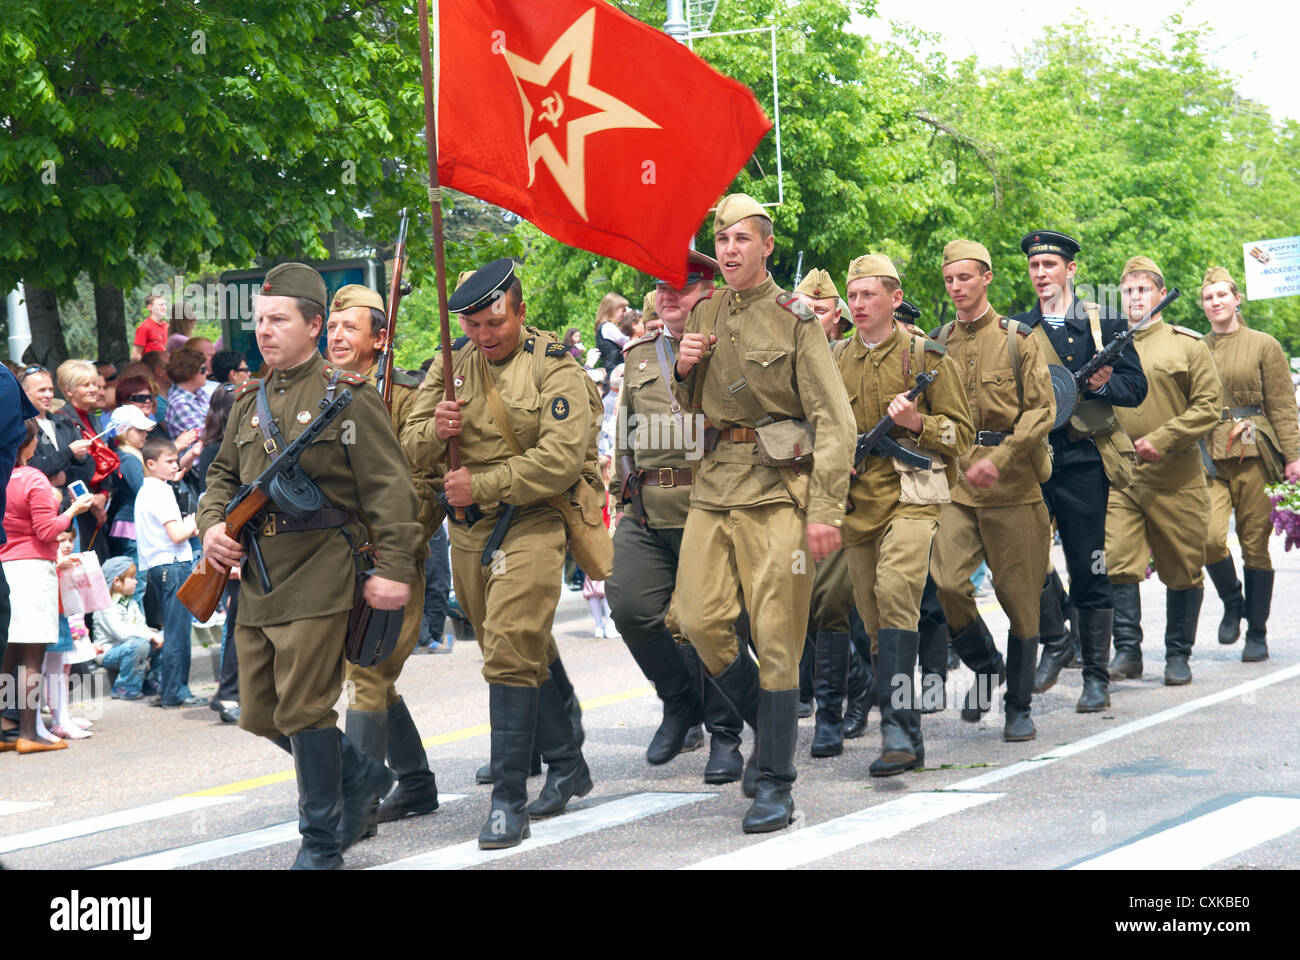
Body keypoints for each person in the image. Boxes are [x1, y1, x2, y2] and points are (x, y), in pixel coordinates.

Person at [199, 262, 419, 869]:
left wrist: (396, 564)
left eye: (278, 320)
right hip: (260, 572)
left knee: (305, 708)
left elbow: (389, 490)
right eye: (259, 321)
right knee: (259, 711)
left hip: (323, 568)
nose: (264, 332)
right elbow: (219, 477)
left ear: (314, 325)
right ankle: (362, 775)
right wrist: (213, 526)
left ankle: (321, 843)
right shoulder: (248, 402)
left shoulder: (346, 397)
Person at [670, 194, 855, 833]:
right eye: (721, 241)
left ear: (766, 246)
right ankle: (767, 729)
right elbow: (692, 410)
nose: (728, 251)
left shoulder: (797, 319)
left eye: (741, 240)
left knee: (777, 637)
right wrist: (683, 370)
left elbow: (836, 420)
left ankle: (775, 779)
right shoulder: (705, 310)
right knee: (697, 619)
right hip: (716, 483)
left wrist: (827, 507)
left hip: (780, 486)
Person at [403, 258, 597, 849]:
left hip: (535, 519)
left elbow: (562, 459)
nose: (484, 336)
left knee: (509, 652)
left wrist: (482, 484)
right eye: (473, 326)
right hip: (467, 531)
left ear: (518, 307)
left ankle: (508, 801)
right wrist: (435, 429)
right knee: (512, 648)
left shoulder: (552, 365)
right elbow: (409, 447)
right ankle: (567, 763)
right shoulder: (450, 363)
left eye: (494, 322)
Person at [608, 250, 746, 780]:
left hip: (705, 506)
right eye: (659, 288)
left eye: (681, 287)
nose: (667, 296)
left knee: (700, 623)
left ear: (707, 291)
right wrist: (625, 492)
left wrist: (668, 437)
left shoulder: (731, 349)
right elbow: (625, 431)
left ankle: (726, 736)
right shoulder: (639, 355)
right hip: (646, 509)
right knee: (629, 606)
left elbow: (719, 430)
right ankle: (680, 701)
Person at [834, 253, 973, 772]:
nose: (858, 305)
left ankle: (893, 732)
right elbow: (818, 429)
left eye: (869, 295)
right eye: (853, 296)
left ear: (895, 299)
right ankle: (908, 730)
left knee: (897, 594)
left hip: (913, 497)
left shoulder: (926, 356)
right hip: (856, 504)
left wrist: (917, 423)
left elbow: (963, 436)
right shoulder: (832, 358)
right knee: (873, 622)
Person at [1010, 230, 1147, 714]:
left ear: (1070, 270)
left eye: (1050, 265)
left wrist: (1106, 383)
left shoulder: (1102, 322)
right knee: (1024, 561)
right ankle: (1055, 639)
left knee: (1089, 564)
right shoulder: (1017, 329)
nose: (1041, 273)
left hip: (1083, 459)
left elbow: (1136, 388)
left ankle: (1095, 676)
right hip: (1033, 457)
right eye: (1035, 266)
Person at [324, 283, 442, 829]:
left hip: (391, 559)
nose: (338, 334)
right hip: (338, 558)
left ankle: (359, 805)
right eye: (331, 326)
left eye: (351, 326)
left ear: (381, 338)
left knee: (367, 674)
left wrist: (394, 545)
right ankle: (415, 783)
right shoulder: (321, 396)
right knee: (371, 675)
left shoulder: (408, 397)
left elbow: (423, 484)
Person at [930, 240, 1054, 741]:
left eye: (965, 278)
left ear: (986, 278)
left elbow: (1041, 411)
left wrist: (1000, 459)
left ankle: (1019, 706)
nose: (956, 288)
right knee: (947, 581)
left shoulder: (1018, 339)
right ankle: (985, 663)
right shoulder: (937, 342)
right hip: (959, 484)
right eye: (949, 280)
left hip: (1015, 486)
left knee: (1019, 597)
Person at [1103, 256, 1222, 686]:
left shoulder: (1187, 344)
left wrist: (1165, 438)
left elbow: (1209, 407)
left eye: (1142, 289)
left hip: (1176, 477)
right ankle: (1128, 652)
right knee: (1117, 561)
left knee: (1184, 567)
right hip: (1123, 477)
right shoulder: (1108, 346)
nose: (1134, 297)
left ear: (1159, 293)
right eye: (1128, 290)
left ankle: (1177, 655)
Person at [1201, 265, 1300, 662]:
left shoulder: (1264, 344)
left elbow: (1281, 404)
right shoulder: (1196, 347)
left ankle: (1256, 631)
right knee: (1208, 539)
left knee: (1254, 544)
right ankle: (1232, 601)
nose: (1215, 302)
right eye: (1208, 298)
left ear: (1237, 299)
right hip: (1208, 452)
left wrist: (1293, 457)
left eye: (1222, 295)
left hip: (1254, 450)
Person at [790, 268, 860, 759]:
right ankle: (855, 681)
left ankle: (830, 716)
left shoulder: (854, 357)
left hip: (840, 492)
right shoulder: (782, 354)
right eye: (805, 310)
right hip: (784, 489)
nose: (813, 318)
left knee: (832, 602)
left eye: (821, 311)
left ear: (838, 316)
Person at [0, 419, 95, 753]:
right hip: (32, 568)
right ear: (25, 444)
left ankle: (5, 727)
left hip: (5, 567)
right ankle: (29, 733)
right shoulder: (32, 479)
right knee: (32, 657)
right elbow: (47, 530)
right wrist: (73, 509)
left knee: (8, 654)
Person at [135, 435, 204, 709]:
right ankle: (176, 691)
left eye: (176, 460)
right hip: (172, 565)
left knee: (173, 630)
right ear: (151, 464)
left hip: (159, 566)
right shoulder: (159, 491)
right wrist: (196, 519)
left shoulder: (148, 489)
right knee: (178, 632)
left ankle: (168, 688)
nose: (176, 465)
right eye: (170, 461)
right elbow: (176, 535)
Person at [196, 381, 241, 724]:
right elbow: (216, 504)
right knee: (240, 624)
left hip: (237, 542)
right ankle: (228, 693)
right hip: (230, 543)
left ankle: (236, 692)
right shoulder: (218, 451)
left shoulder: (217, 446)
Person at [52, 359, 116, 560]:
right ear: (69, 391)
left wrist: (104, 494)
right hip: (79, 508)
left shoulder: (94, 418)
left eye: (94, 385)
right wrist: (91, 499)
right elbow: (68, 469)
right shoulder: (60, 421)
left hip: (99, 503)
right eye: (85, 385)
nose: (93, 390)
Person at [92, 555, 162, 701]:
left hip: (133, 645)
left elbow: (140, 626)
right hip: (110, 651)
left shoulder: (131, 603)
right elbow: (122, 634)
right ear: (117, 581)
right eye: (132, 578)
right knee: (139, 645)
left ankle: (153, 680)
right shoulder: (105, 606)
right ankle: (124, 687)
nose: (136, 581)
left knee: (164, 637)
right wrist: (149, 636)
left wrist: (153, 635)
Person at [104, 403, 157, 566]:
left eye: (144, 431)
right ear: (123, 431)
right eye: (138, 430)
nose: (144, 435)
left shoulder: (128, 456)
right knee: (137, 581)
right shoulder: (128, 458)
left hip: (130, 524)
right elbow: (142, 491)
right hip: (130, 525)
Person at [164, 347, 211, 441]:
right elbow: (208, 435)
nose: (207, 372)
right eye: (203, 369)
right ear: (189, 372)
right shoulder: (178, 404)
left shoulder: (200, 393)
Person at [593, 292, 631, 370]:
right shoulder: (607, 327)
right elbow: (629, 341)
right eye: (623, 310)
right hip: (615, 372)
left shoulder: (607, 327)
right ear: (612, 310)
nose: (625, 313)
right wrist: (631, 318)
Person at [132, 295, 170, 361]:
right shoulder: (145, 327)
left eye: (164, 305)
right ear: (150, 307)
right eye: (160, 305)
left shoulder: (167, 326)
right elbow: (135, 355)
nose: (164, 308)